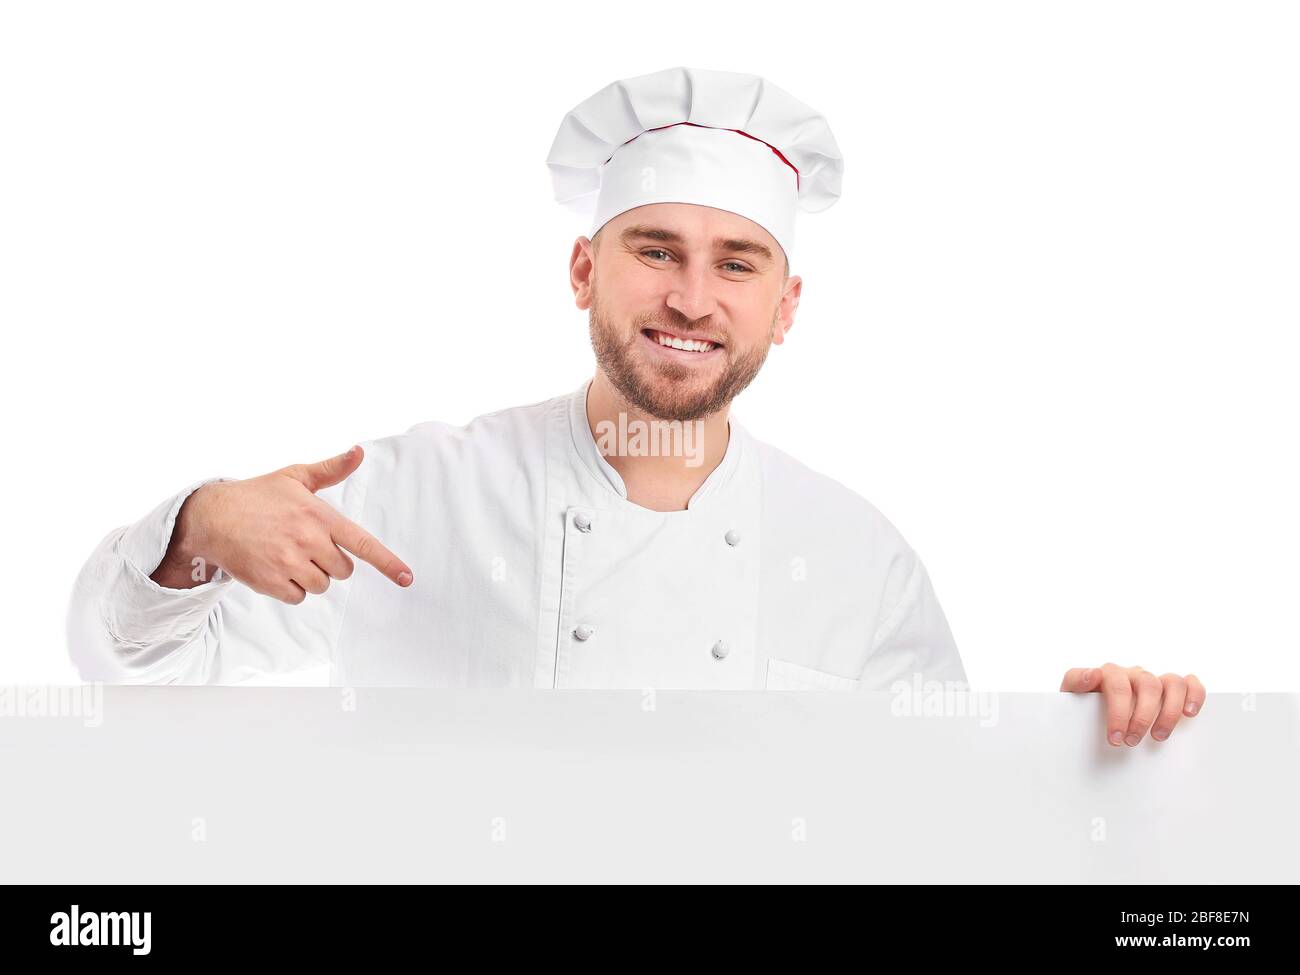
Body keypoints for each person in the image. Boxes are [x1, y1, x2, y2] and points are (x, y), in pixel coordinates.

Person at [67, 66, 1205, 745]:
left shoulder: (859, 558)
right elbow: (135, 681)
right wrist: (196, 530)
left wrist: (1082, 742)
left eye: (737, 263)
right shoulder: (415, 494)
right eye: (655, 250)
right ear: (582, 271)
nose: (692, 299)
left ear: (786, 304)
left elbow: (940, 834)